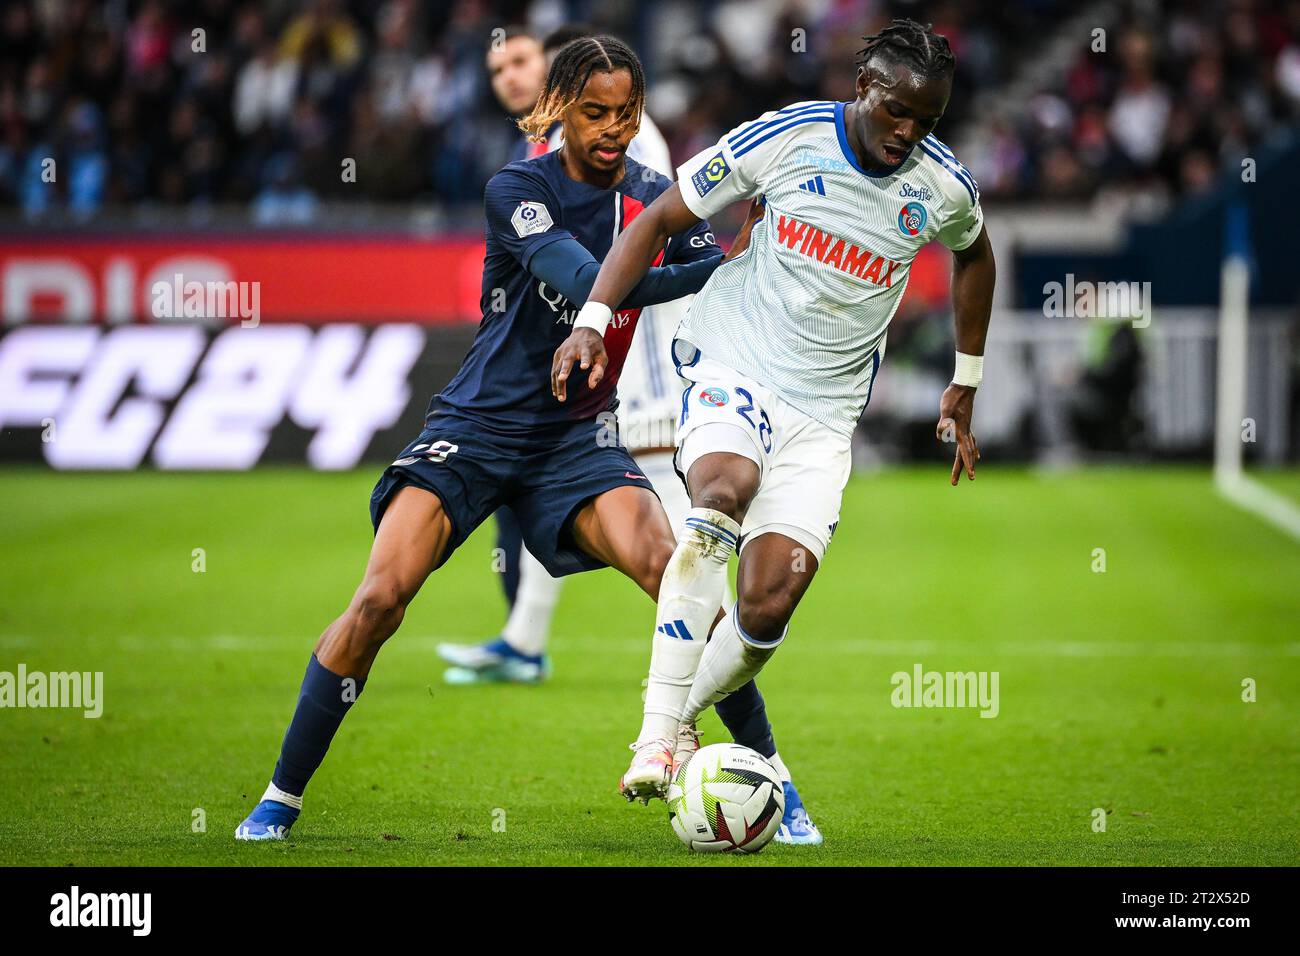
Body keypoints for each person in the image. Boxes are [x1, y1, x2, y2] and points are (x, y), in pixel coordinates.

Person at [234, 35, 793, 842]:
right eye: (595, 111)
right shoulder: (518, 188)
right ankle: (280, 796)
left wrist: (736, 257)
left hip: (576, 440)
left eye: (626, 112)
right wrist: (716, 262)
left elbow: (709, 265)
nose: (612, 127)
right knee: (380, 600)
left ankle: (779, 780)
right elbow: (578, 277)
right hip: (476, 428)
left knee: (681, 580)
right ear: (560, 108)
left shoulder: (657, 196)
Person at [552, 19, 997, 801]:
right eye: (897, 110)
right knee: (721, 491)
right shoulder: (786, 138)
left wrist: (965, 377)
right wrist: (591, 318)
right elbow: (658, 220)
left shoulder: (942, 185)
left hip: (825, 412)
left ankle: (683, 716)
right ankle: (656, 738)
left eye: (928, 120)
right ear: (863, 85)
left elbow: (976, 253)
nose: (908, 131)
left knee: (766, 606)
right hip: (734, 361)